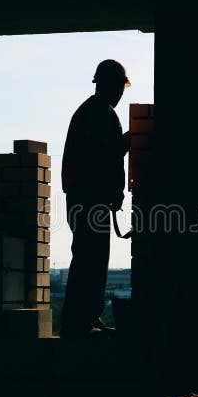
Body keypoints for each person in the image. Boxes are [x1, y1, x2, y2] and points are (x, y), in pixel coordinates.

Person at [60, 59, 131, 338]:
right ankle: (81, 322)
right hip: (90, 198)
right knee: (91, 259)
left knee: (89, 259)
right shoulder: (100, 114)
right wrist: (133, 137)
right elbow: (107, 156)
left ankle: (84, 318)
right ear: (109, 85)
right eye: (119, 86)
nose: (121, 92)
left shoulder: (92, 112)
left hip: (85, 197)